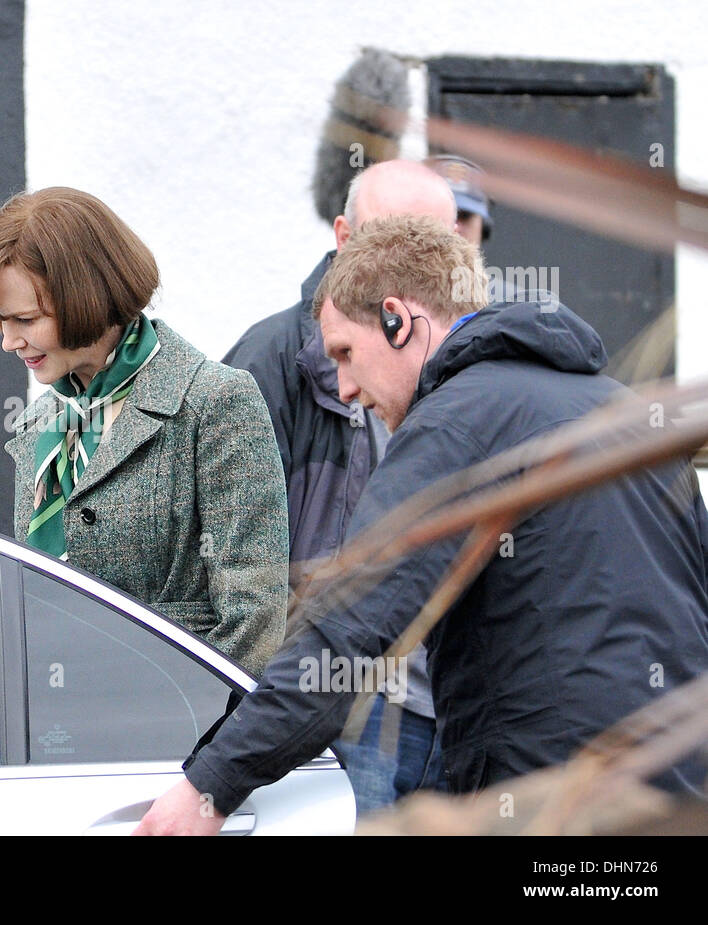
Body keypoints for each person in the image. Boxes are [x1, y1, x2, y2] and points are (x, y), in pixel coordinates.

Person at [135, 214, 708, 834]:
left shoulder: (455, 423)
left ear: (397, 320)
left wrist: (210, 784)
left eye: (345, 355)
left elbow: (346, 638)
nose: (345, 389)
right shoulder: (623, 412)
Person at [0, 187, 289, 676]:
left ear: (86, 298)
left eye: (24, 320)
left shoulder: (216, 402)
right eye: (0, 323)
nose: (8, 342)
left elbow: (253, 621)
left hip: (172, 734)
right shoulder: (40, 427)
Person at [223, 159, 457, 811]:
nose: (414, 271)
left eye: (434, 247)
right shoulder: (268, 364)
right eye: (391, 242)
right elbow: (226, 564)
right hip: (340, 721)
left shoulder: (472, 371)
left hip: (460, 715)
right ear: (344, 239)